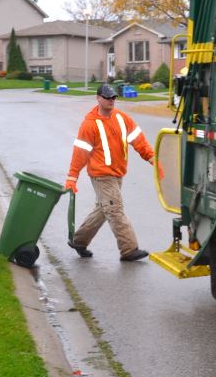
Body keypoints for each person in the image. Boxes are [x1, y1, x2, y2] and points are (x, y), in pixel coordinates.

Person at [64, 83, 153, 261]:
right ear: (98, 98)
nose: (111, 100)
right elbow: (80, 154)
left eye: (113, 97)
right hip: (101, 175)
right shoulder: (89, 125)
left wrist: (151, 157)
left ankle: (79, 241)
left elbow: (138, 140)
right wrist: (72, 177)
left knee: (104, 209)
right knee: (114, 209)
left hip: (117, 173)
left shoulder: (122, 118)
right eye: (107, 97)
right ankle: (128, 249)